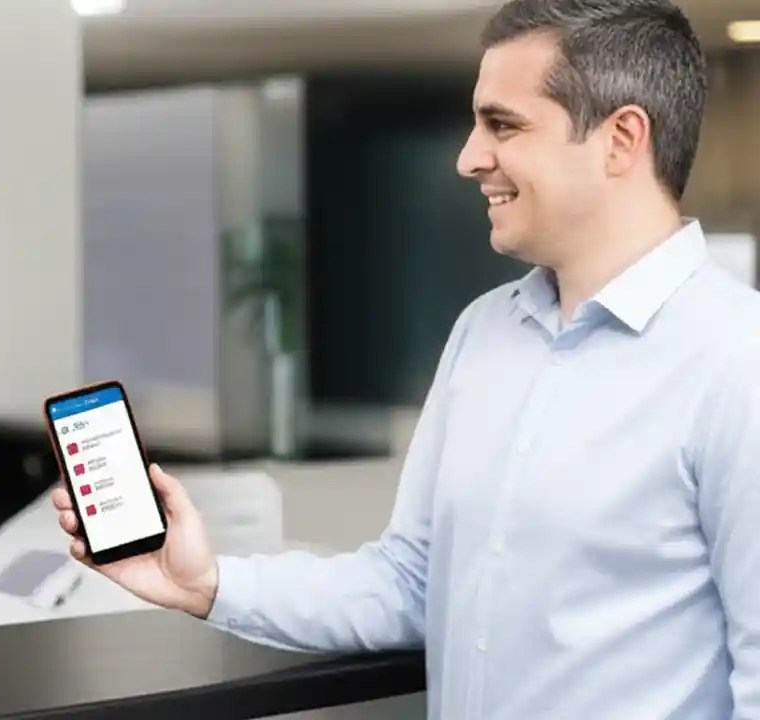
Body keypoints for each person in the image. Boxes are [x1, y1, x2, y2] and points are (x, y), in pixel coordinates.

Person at [54, 0, 760, 716]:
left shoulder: (738, 363)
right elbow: (409, 583)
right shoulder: (484, 334)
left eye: (503, 124)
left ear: (621, 140)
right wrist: (204, 581)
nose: (469, 157)